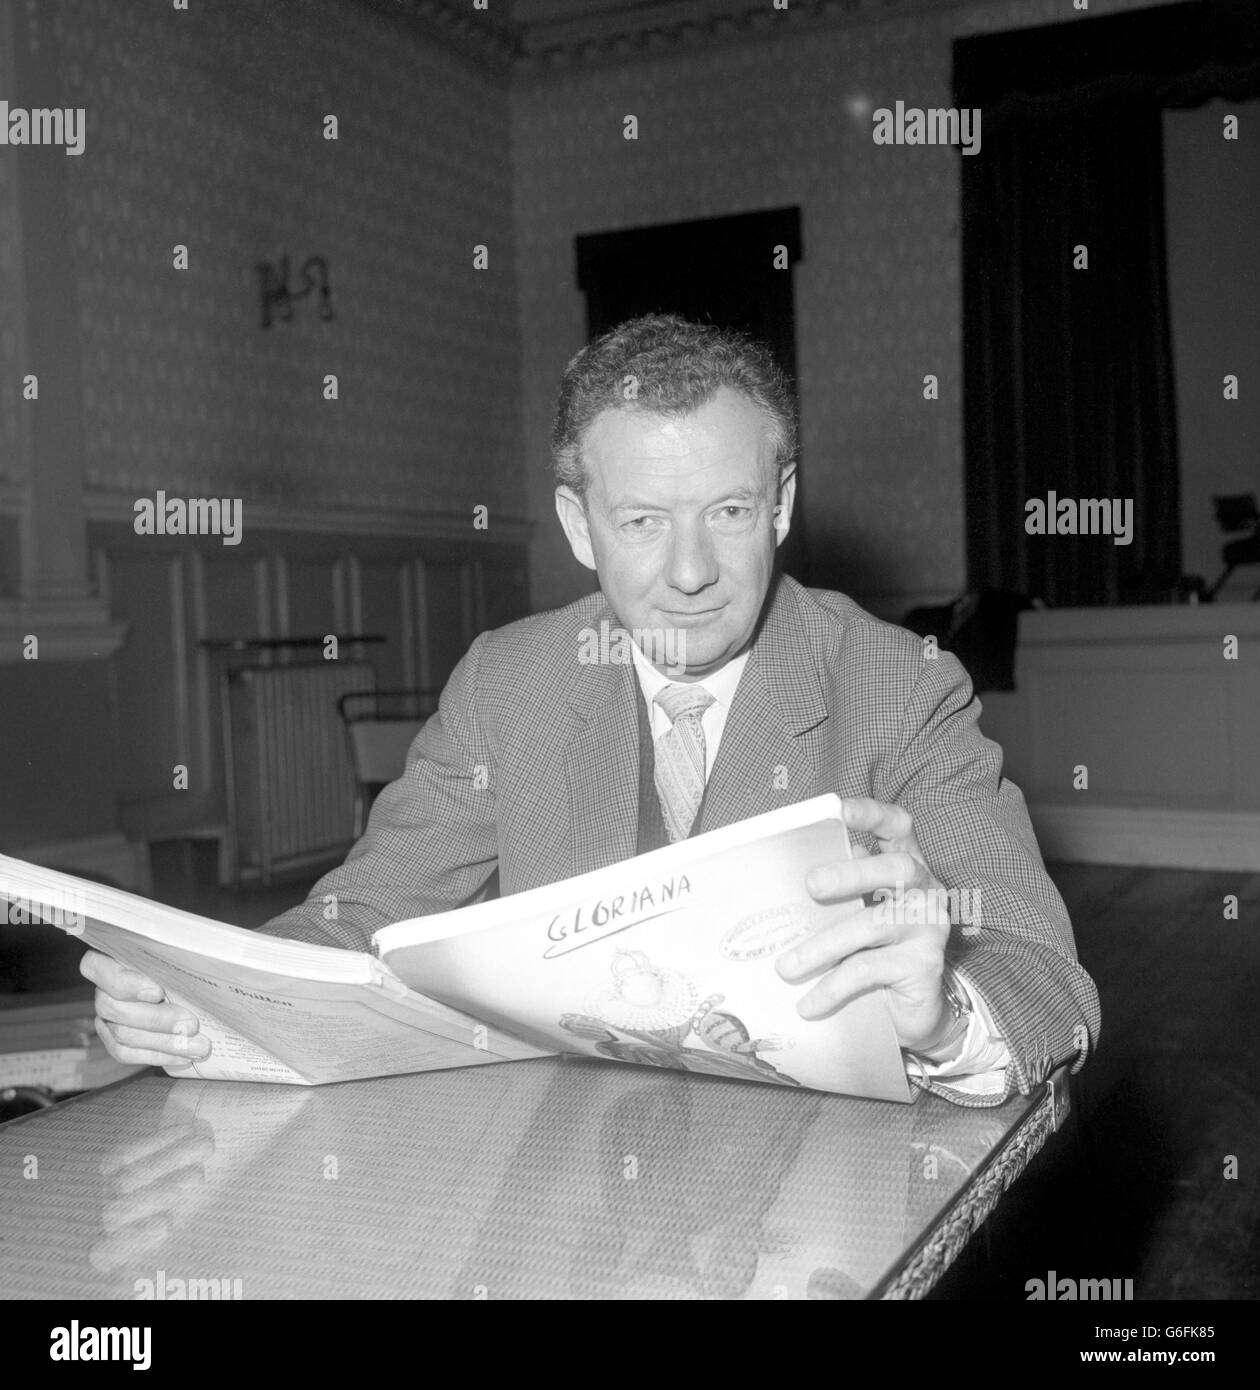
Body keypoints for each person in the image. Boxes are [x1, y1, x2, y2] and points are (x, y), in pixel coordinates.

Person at [84, 314, 1100, 1106]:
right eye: (643, 521)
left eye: (731, 513)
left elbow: (1045, 977)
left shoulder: (901, 685)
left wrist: (939, 1018)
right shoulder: (507, 680)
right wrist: (217, 998)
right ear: (578, 523)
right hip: (565, 1187)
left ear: (781, 504)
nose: (691, 572)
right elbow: (364, 913)